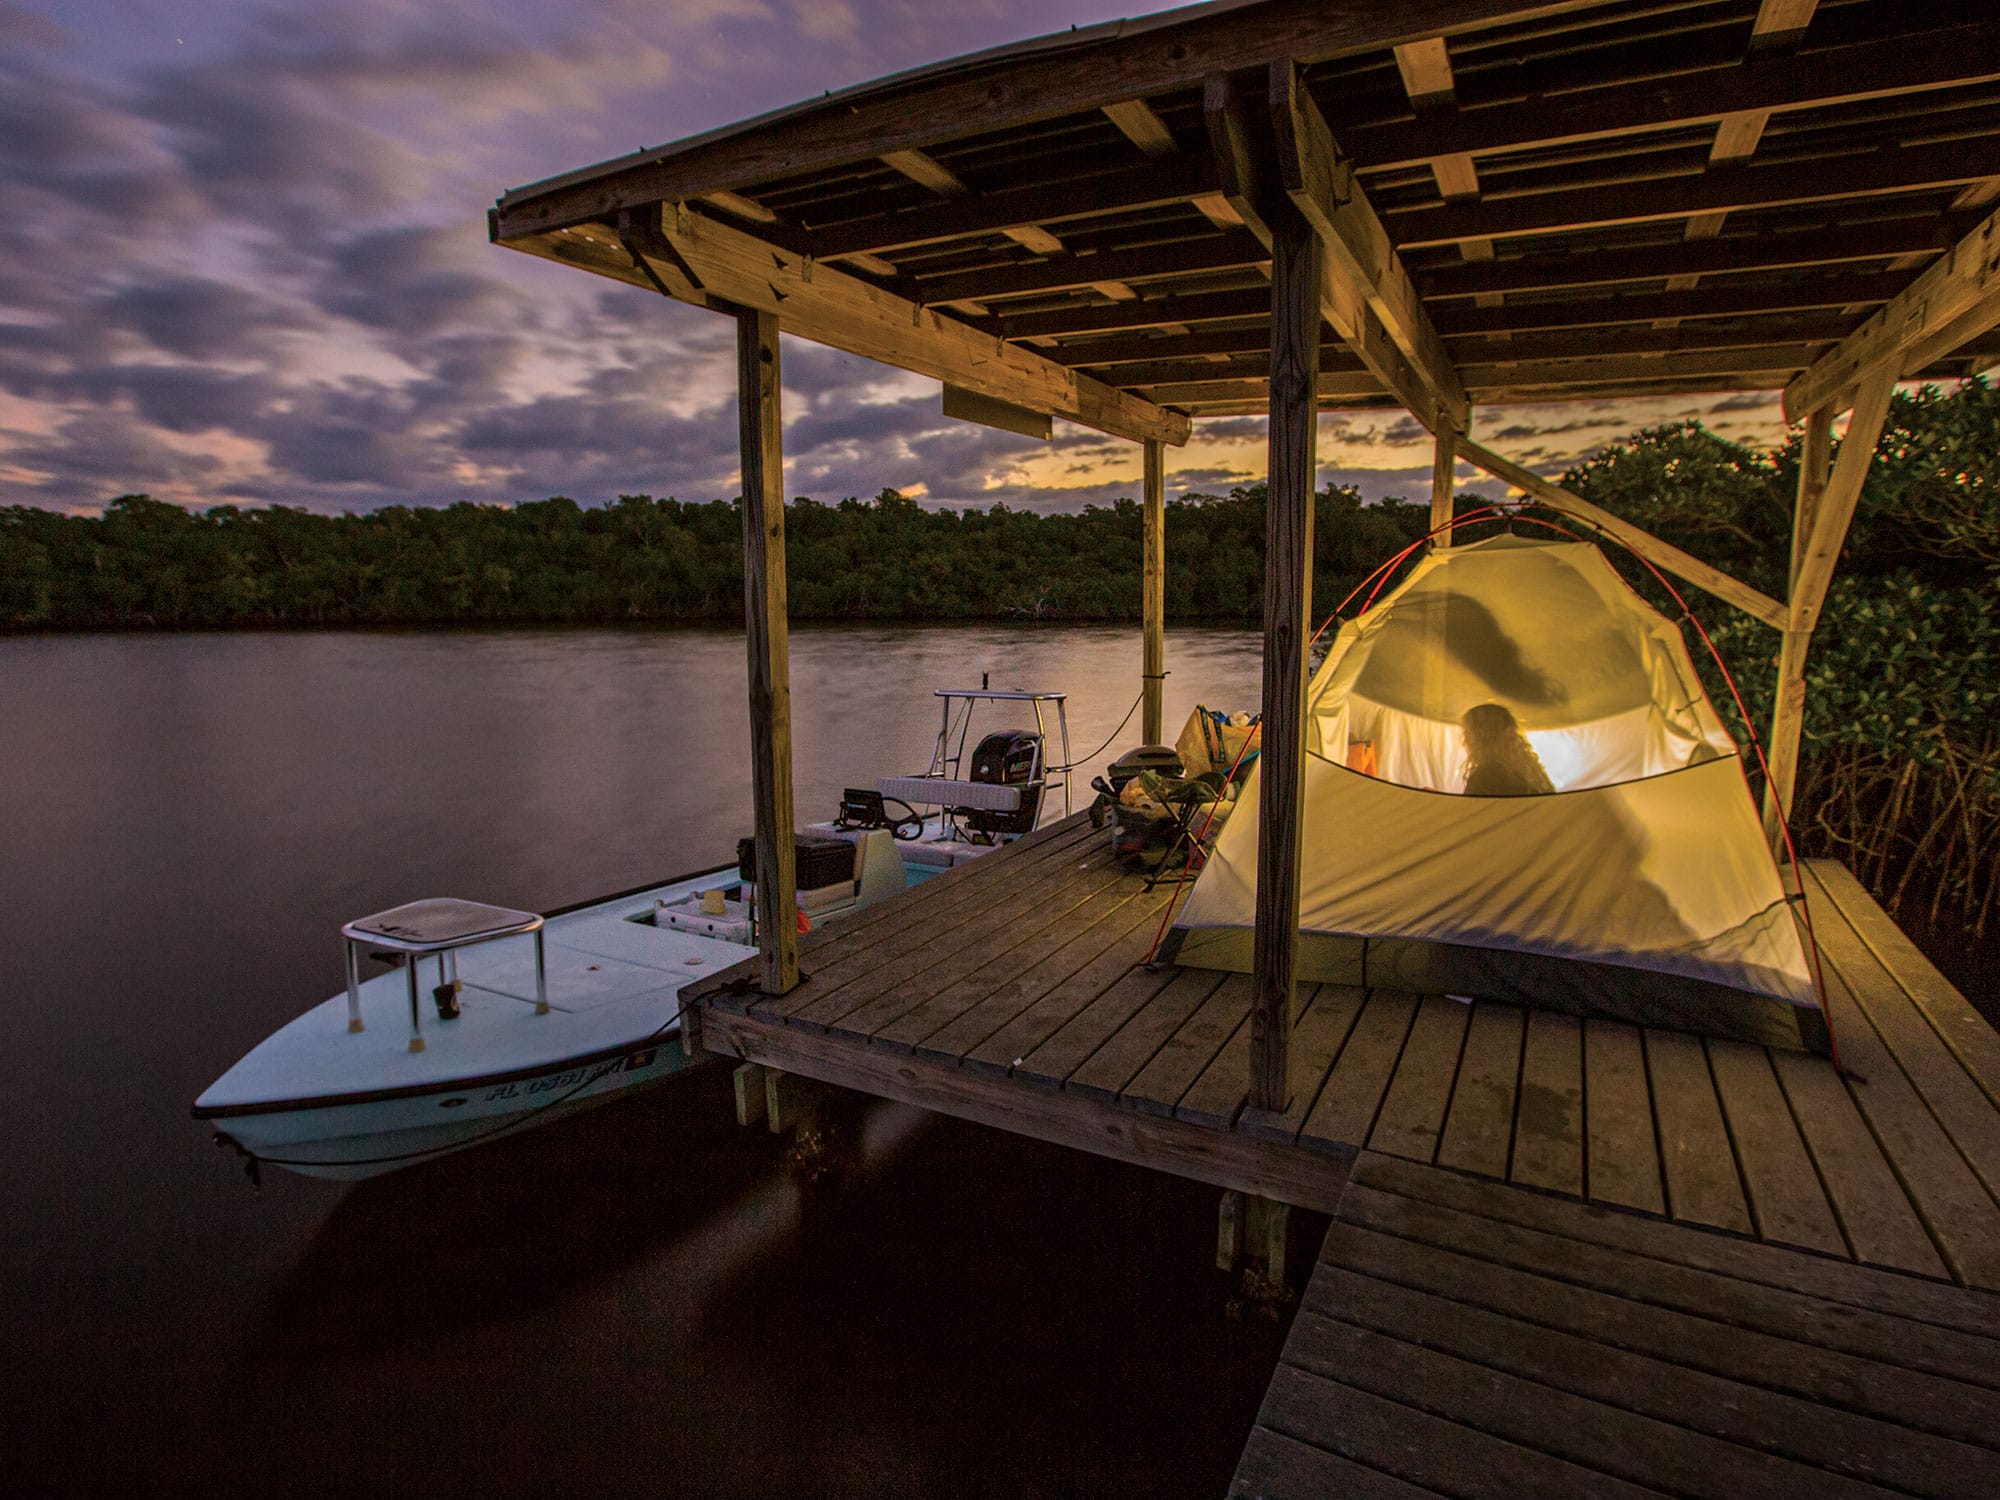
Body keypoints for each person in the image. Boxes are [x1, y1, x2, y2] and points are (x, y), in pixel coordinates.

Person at [1460, 703, 1556, 796]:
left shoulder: (1484, 777)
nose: (1465, 740)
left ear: (1481, 737)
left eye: (1467, 732)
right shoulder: (1532, 772)